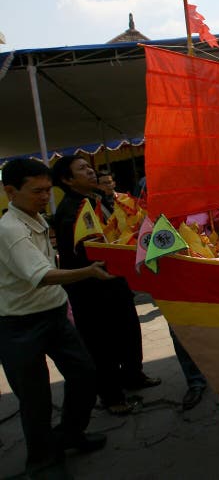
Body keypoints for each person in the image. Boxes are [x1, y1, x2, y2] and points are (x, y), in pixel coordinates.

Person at [0, 159, 110, 478]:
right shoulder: (11, 230)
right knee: (35, 397)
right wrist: (88, 272)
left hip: (55, 312)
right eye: (37, 191)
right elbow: (43, 275)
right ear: (10, 191)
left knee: (85, 374)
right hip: (19, 324)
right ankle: (42, 459)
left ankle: (69, 435)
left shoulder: (36, 218)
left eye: (48, 190)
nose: (46, 196)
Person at [52, 155, 161, 416]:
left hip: (113, 280)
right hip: (91, 287)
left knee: (128, 330)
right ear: (67, 180)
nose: (90, 172)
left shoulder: (97, 200)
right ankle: (112, 397)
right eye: (82, 170)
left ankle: (134, 376)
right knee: (102, 344)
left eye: (90, 167)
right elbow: (84, 250)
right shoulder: (71, 210)